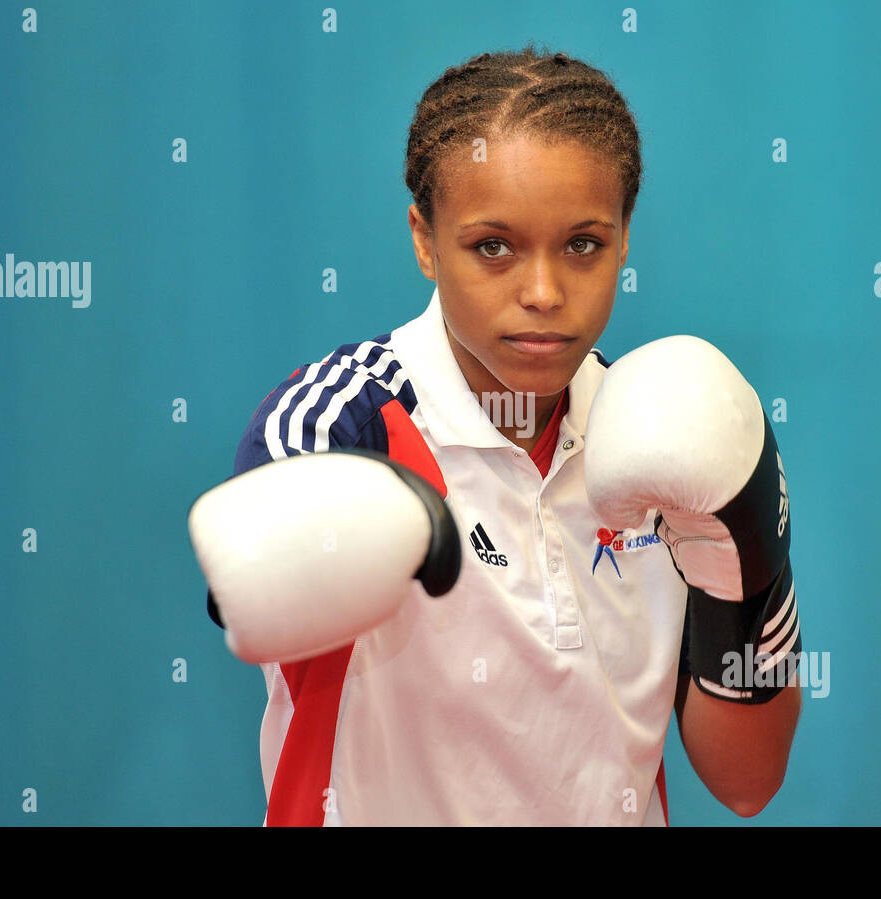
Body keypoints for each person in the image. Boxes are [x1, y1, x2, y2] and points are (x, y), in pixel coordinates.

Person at [188, 44, 802, 826]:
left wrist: (749, 570)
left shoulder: (668, 437)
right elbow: (246, 572)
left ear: (624, 237)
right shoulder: (347, 421)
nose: (543, 293)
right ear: (424, 238)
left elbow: (747, 780)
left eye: (583, 244)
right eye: (493, 247)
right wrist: (370, 526)